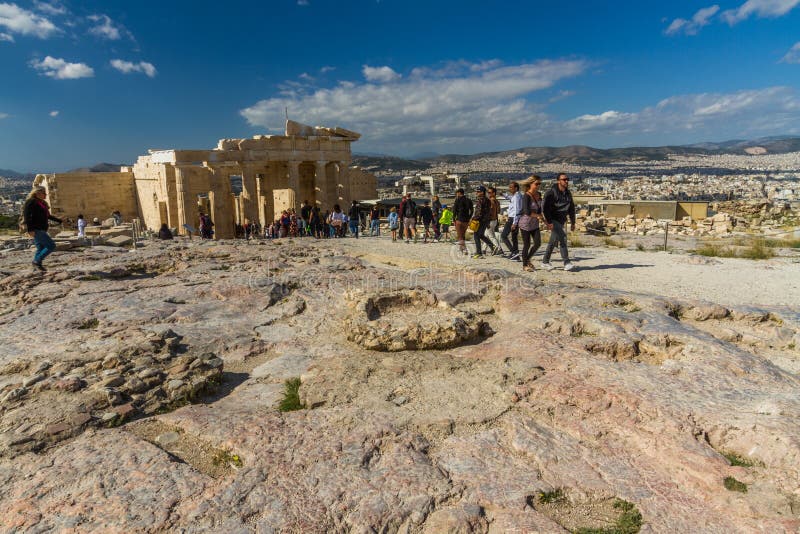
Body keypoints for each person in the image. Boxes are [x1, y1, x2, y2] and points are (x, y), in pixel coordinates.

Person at [542, 173, 577, 271]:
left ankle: (545, 261)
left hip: (561, 220)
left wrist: (573, 222)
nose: (566, 181)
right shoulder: (551, 193)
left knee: (553, 241)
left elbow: (571, 209)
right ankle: (566, 262)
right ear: (558, 181)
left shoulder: (568, 193)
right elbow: (545, 208)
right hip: (553, 219)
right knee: (563, 237)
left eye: (567, 179)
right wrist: (549, 222)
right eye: (564, 179)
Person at [23, 186, 62, 272]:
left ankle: (37, 266)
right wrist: (30, 229)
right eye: (44, 193)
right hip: (36, 228)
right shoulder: (31, 202)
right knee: (51, 245)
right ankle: (36, 261)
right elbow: (27, 216)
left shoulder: (42, 203)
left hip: (42, 228)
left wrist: (59, 220)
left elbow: (48, 216)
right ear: (38, 193)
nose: (46, 194)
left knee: (40, 248)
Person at [518, 176, 544, 272]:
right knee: (527, 244)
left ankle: (527, 259)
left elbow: (540, 209)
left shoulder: (539, 194)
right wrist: (537, 215)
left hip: (534, 223)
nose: (538, 186)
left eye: (539, 184)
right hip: (525, 223)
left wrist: (542, 218)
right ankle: (525, 265)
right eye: (537, 184)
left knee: (537, 243)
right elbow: (527, 211)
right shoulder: (526, 196)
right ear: (530, 184)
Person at [471, 185, 495, 259]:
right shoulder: (487, 200)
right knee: (481, 235)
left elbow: (479, 212)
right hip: (485, 220)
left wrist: (473, 219)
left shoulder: (481, 200)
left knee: (476, 235)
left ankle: (479, 253)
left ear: (482, 192)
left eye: (478, 191)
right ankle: (492, 246)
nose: (477, 193)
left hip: (480, 221)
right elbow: (488, 211)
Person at [501, 182, 522, 260]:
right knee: (514, 237)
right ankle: (515, 254)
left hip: (513, 219)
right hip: (514, 219)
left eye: (511, 187)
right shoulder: (516, 196)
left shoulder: (517, 197)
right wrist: (503, 195)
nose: (509, 189)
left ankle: (514, 252)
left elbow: (517, 210)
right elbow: (510, 198)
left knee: (503, 236)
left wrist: (514, 223)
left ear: (516, 188)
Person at [452, 188, 473, 255]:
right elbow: (472, 210)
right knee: (462, 234)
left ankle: (464, 249)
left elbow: (454, 210)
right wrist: (469, 217)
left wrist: (454, 219)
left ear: (459, 193)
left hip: (459, 219)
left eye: (457, 193)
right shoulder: (469, 200)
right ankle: (461, 248)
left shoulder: (457, 200)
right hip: (466, 220)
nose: (456, 194)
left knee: (460, 235)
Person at [487, 187, 504, 255]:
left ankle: (498, 248)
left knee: (491, 236)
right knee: (486, 235)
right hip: (495, 220)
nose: (488, 194)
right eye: (488, 192)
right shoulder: (497, 201)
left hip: (490, 220)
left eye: (490, 192)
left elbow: (489, 211)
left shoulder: (490, 201)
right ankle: (483, 250)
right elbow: (499, 211)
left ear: (494, 193)